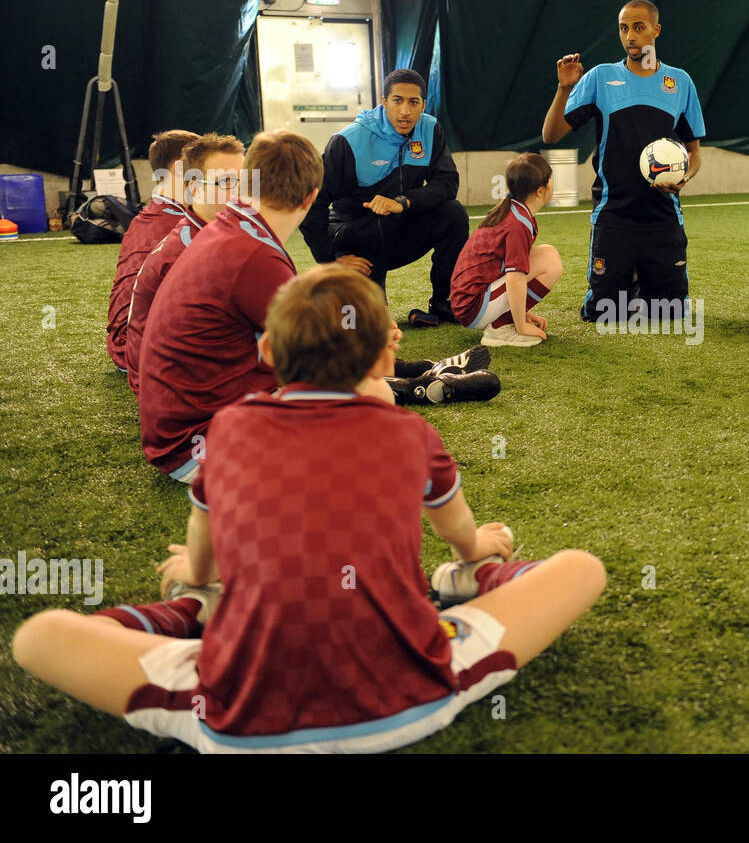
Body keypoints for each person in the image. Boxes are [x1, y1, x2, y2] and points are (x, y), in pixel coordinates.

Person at [10, 265, 606, 753]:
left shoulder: (230, 430)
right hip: (412, 696)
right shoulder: (409, 435)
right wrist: (472, 559)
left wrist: (199, 581)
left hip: (236, 719)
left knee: (41, 637)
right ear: (384, 357)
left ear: (268, 350)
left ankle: (194, 613)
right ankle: (457, 586)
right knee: (580, 569)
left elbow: (203, 539)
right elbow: (461, 531)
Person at [136, 130, 320, 482]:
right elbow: (320, 354)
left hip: (180, 433)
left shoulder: (229, 228)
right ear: (310, 198)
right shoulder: (253, 255)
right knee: (362, 397)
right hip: (198, 449)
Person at [541, 0, 705, 323]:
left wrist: (686, 176)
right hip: (614, 214)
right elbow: (551, 134)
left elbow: (694, 151)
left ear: (655, 30)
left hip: (662, 215)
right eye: (623, 28)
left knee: (672, 313)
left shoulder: (680, 82)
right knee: (603, 314)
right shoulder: (601, 78)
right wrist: (564, 88)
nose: (630, 36)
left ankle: (643, 284)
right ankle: (629, 282)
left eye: (638, 27)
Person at [302, 69, 469, 329]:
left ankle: (442, 301)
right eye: (397, 101)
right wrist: (331, 260)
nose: (405, 111)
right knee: (367, 327)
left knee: (453, 214)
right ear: (384, 101)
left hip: (398, 231)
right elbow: (313, 202)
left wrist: (403, 202)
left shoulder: (430, 129)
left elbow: (447, 183)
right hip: (358, 240)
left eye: (413, 103)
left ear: (423, 105)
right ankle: (357, 294)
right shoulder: (348, 141)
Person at [123, 134, 245, 394]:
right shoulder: (187, 248)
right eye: (226, 182)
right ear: (193, 187)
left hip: (151, 364)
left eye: (244, 182)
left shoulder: (197, 227)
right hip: (172, 386)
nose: (239, 193)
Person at [105, 129, 199, 370]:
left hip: (129, 341)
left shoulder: (156, 216)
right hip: (142, 347)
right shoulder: (175, 224)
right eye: (203, 165)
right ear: (180, 168)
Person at [449, 153, 563, 347]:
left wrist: (522, 312)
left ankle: (505, 319)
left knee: (548, 253)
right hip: (472, 306)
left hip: (473, 297)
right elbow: (514, 279)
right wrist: (521, 325)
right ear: (540, 191)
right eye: (551, 179)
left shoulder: (515, 210)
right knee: (550, 264)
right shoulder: (517, 224)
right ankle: (500, 328)